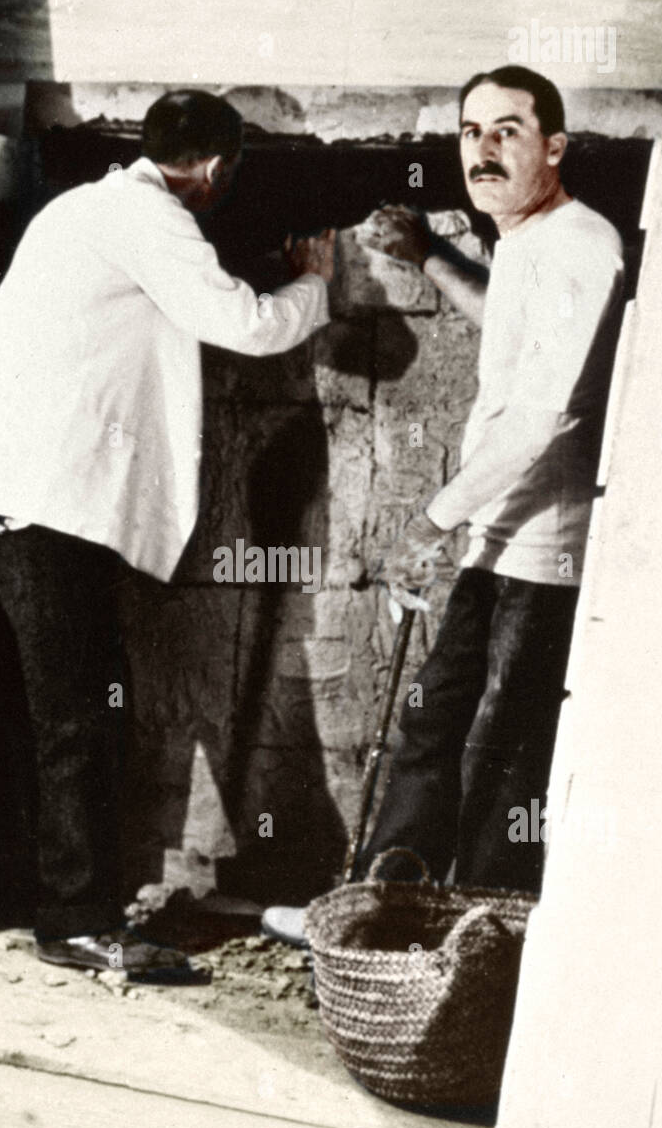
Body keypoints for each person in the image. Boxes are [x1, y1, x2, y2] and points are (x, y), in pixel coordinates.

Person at [0, 90, 335, 980]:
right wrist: (314, 281)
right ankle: (73, 921)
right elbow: (243, 324)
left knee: (65, 709)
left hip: (26, 496)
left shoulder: (82, 207)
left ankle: (31, 896)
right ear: (219, 167)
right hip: (46, 505)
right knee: (77, 718)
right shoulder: (147, 216)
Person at [263, 64, 624, 946]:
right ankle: (378, 920)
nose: (484, 149)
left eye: (508, 130)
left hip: (542, 551)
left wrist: (434, 520)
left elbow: (547, 410)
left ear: (554, 147)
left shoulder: (582, 243)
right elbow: (504, 317)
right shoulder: (531, 245)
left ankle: (477, 951)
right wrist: (427, 253)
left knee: (500, 757)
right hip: (492, 543)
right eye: (470, 132)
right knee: (428, 729)